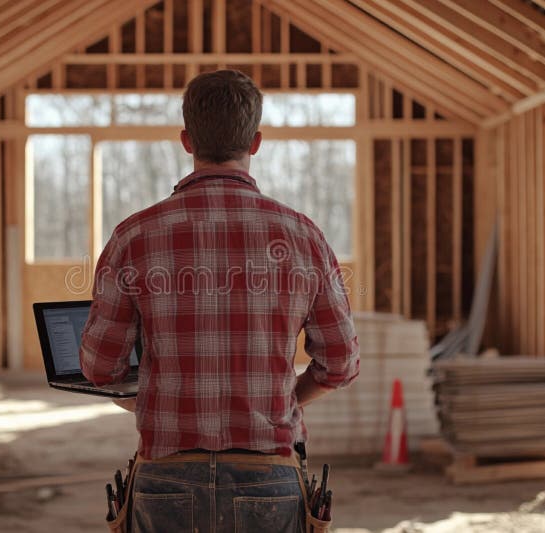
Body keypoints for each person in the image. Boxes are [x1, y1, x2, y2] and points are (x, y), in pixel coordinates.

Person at [81, 69, 359, 532]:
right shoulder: (303, 237)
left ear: (187, 140)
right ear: (255, 142)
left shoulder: (133, 236)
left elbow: (100, 369)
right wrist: (284, 399)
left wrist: (153, 397)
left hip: (165, 475)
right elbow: (342, 363)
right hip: (269, 473)